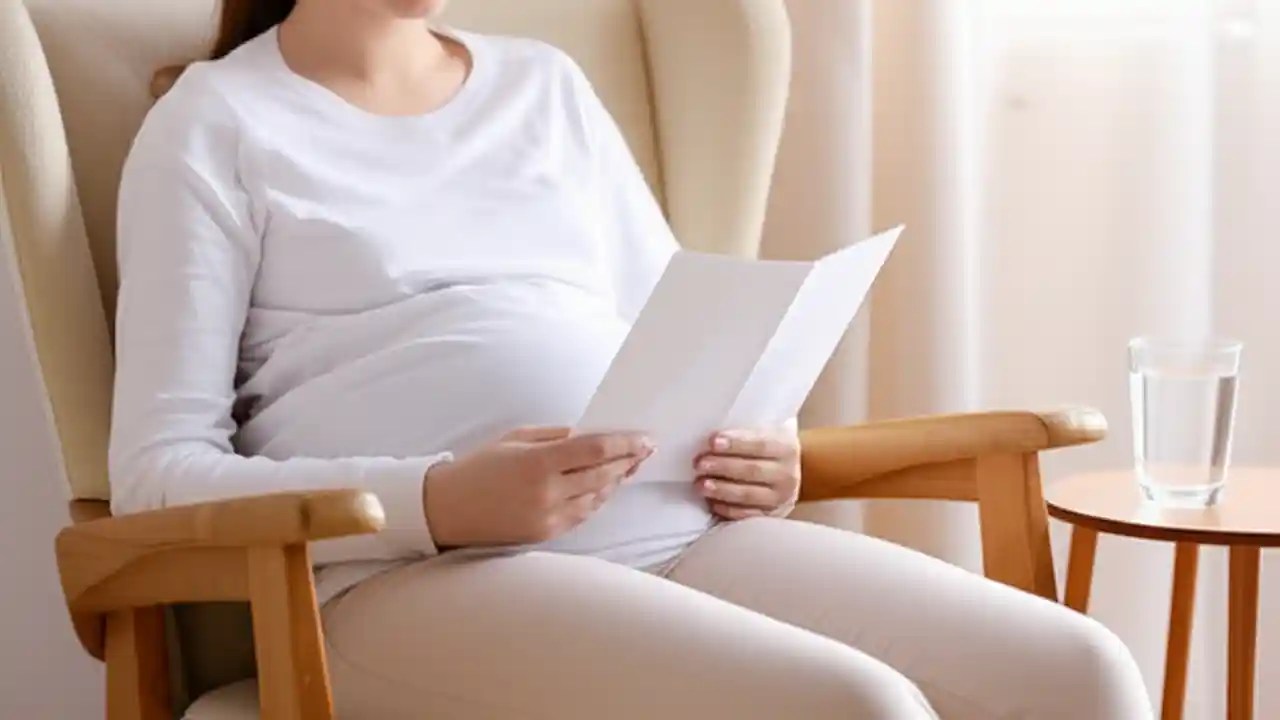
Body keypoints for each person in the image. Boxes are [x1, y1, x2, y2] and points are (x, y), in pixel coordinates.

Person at [110, 0, 1153, 717]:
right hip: (406, 580)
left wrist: (763, 443)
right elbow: (154, 479)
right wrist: (441, 501)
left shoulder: (542, 86)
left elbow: (680, 328)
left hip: (673, 530)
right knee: (855, 708)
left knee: (1078, 671)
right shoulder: (215, 124)